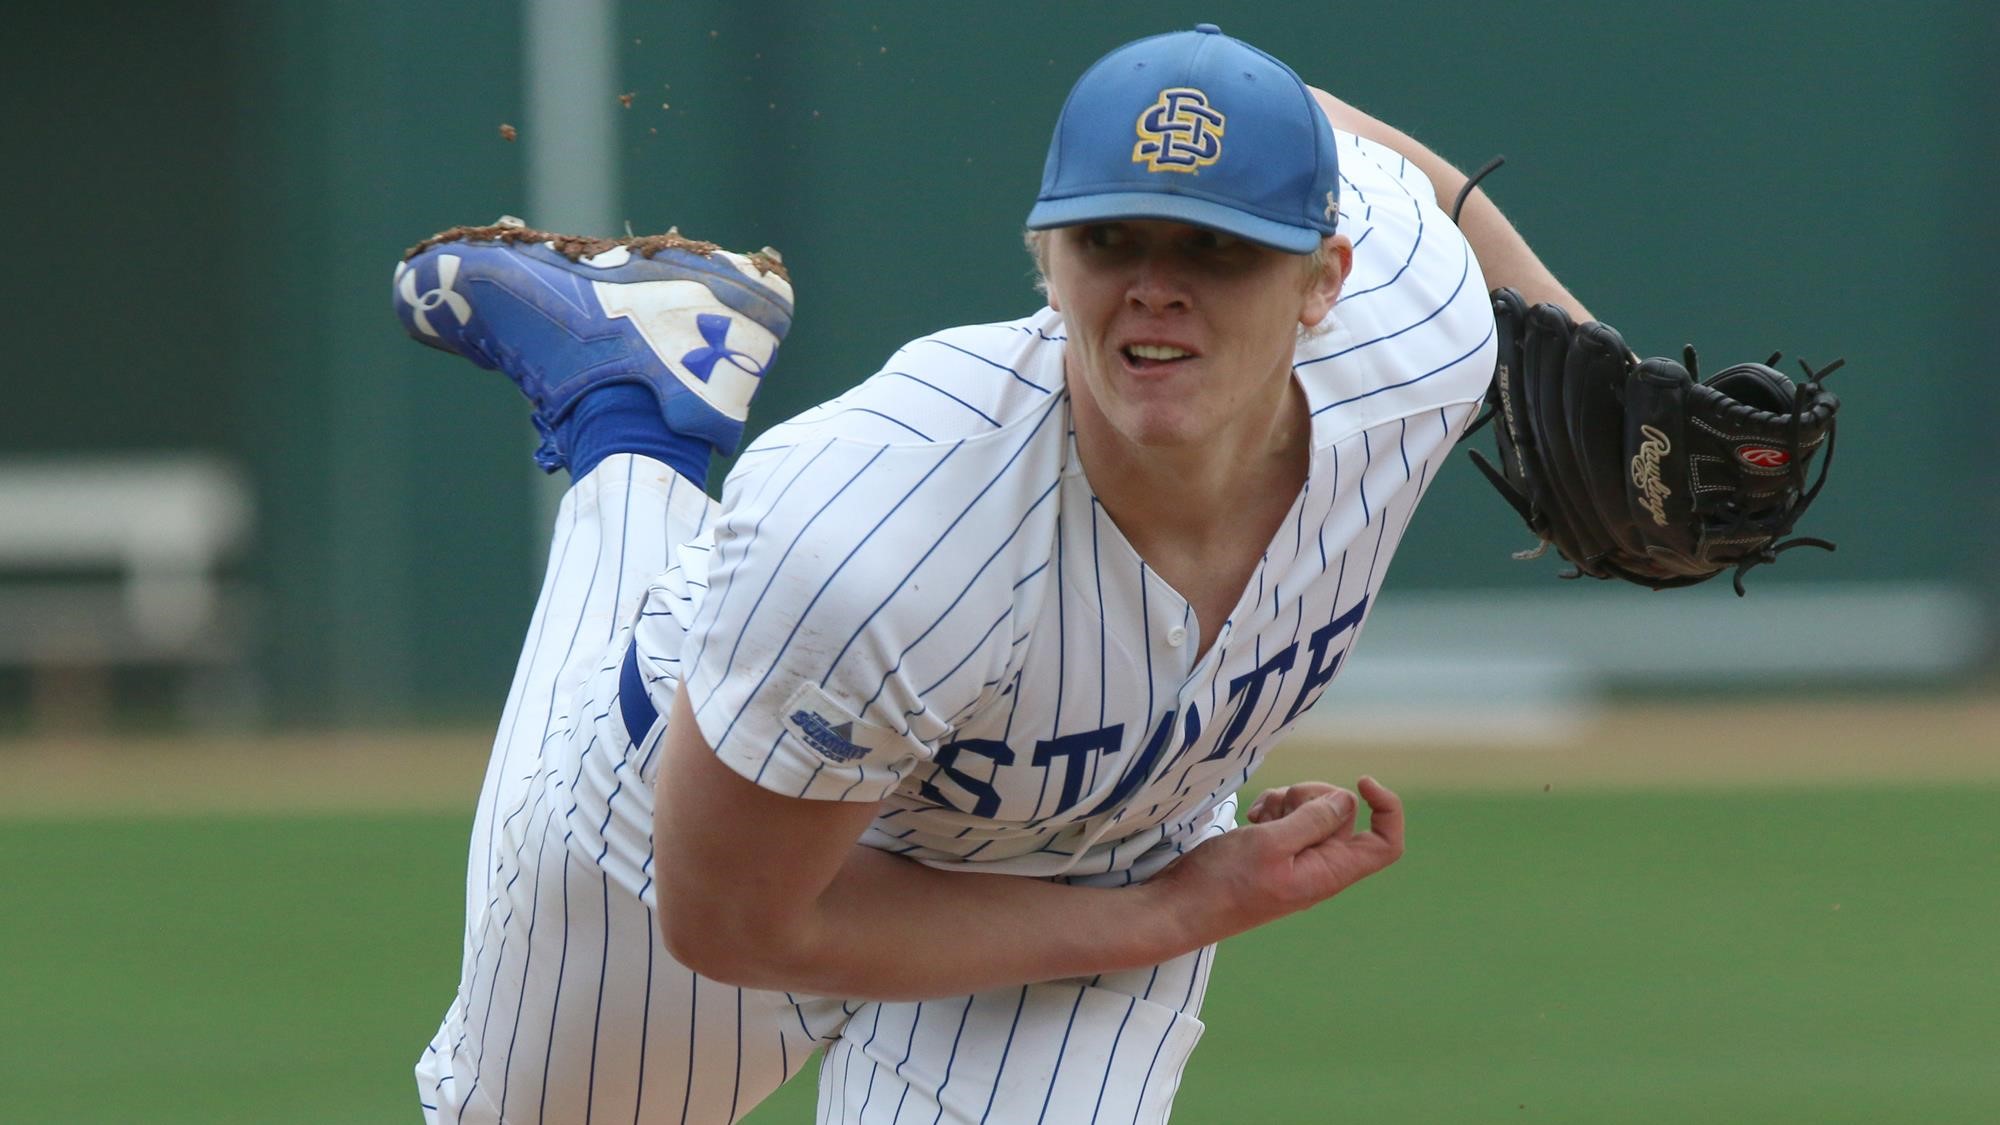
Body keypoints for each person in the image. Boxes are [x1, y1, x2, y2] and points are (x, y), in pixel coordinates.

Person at [397, 23, 1586, 1124]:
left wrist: (1583, 342)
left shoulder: (1420, 330)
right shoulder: (876, 539)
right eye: (1109, 237)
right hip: (720, 828)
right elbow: (738, 924)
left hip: (1087, 856)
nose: (1155, 285)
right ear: (1046, 260)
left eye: (1217, 245)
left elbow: (1308, 114)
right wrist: (1173, 911)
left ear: (1324, 279)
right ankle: (629, 417)